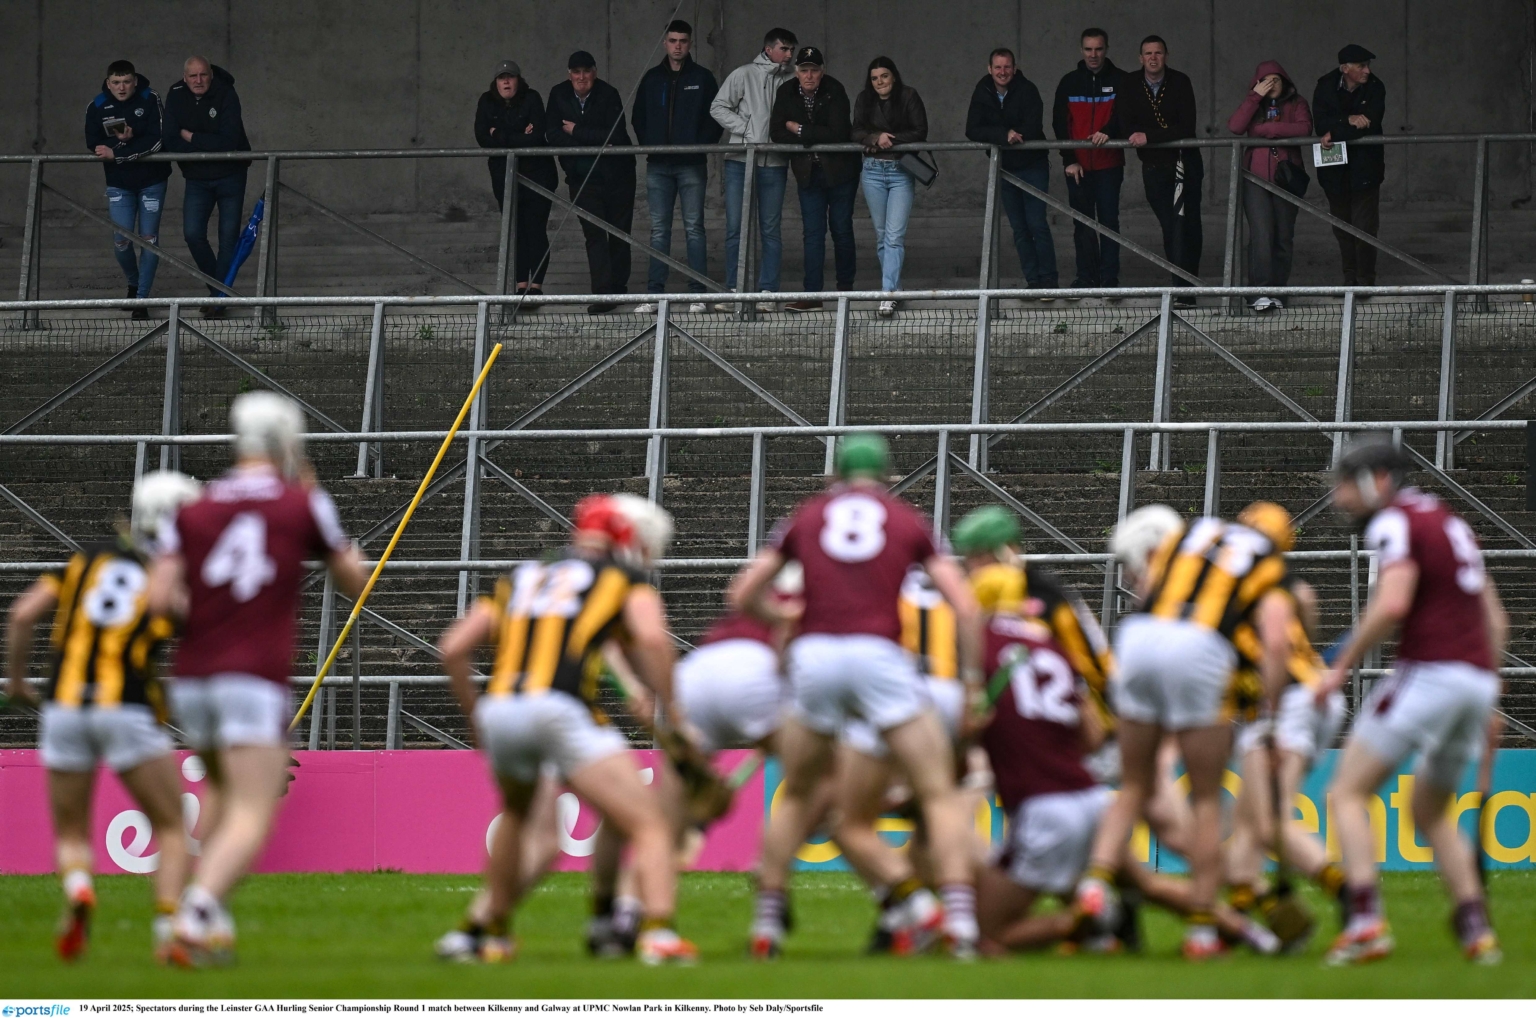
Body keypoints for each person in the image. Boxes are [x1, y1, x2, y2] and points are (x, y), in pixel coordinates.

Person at [729, 433, 983, 958]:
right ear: (887, 476)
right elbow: (964, 605)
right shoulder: (908, 520)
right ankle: (959, 921)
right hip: (878, 657)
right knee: (936, 791)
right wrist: (974, 680)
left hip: (815, 657)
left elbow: (742, 593)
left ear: (836, 476)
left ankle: (767, 924)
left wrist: (783, 616)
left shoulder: (805, 517)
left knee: (797, 794)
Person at [146, 392, 367, 966]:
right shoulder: (300, 502)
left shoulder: (193, 506)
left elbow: (159, 602)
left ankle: (210, 917)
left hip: (192, 676)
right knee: (253, 805)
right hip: (254, 675)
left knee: (220, 792)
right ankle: (195, 911)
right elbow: (354, 581)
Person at [433, 494, 697, 965]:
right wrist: (672, 711)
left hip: (501, 708)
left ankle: (484, 932)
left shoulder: (524, 575)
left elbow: (453, 647)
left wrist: (476, 719)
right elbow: (653, 640)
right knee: (650, 823)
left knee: (519, 819)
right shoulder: (621, 578)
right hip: (560, 709)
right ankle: (657, 933)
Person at [1318, 441, 1505, 965]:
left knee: (1346, 792)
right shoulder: (1448, 520)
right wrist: (1488, 694)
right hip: (1474, 680)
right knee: (1429, 809)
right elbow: (1495, 617)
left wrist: (1342, 662)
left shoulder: (1394, 520)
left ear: (1380, 479)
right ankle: (1476, 928)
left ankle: (1365, 924)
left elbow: (1394, 601)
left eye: (1346, 483)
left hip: (1430, 673)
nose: (1340, 497)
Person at [1074, 504, 1288, 960]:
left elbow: (1153, 585)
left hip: (1140, 635)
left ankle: (1094, 883)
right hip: (1201, 645)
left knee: (1133, 785)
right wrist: (1268, 717)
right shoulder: (1268, 563)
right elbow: (1272, 643)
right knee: (1206, 800)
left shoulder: (1193, 531)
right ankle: (1202, 932)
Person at [5, 471, 203, 962]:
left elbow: (23, 614)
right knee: (171, 827)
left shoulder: (87, 559)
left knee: (72, 830)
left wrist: (19, 682)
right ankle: (168, 933)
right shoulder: (170, 577)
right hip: (126, 707)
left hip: (64, 707)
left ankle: (78, 889)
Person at [1223, 505, 1347, 953]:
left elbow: (1274, 646)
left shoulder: (1244, 584)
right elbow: (1308, 604)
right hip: (1314, 696)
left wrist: (1269, 719)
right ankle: (1237, 920)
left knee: (1268, 821)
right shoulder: (1287, 583)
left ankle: (1353, 899)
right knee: (1247, 819)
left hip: (1284, 702)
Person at [633, 20, 721, 315]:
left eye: (683, 40)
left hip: (691, 165)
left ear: (690, 43)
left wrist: (698, 146)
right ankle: (654, 294)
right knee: (659, 230)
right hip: (658, 166)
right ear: (665, 43)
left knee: (694, 228)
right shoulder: (652, 78)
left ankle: (698, 293)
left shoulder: (703, 77)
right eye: (673, 40)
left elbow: (715, 117)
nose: (678, 46)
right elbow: (638, 116)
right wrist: (651, 146)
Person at [711, 28, 797, 311]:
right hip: (740, 160)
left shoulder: (793, 79)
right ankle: (734, 290)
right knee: (736, 227)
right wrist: (746, 129)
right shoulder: (744, 73)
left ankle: (768, 291)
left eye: (791, 50)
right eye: (784, 49)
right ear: (768, 49)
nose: (789, 54)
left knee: (770, 229)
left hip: (775, 162)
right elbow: (718, 107)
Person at [547, 51, 637, 315]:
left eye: (586, 71)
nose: (581, 77)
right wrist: (590, 143)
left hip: (618, 176)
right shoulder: (558, 94)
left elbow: (616, 134)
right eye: (576, 72)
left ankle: (618, 288)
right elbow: (552, 134)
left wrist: (576, 130)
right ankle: (603, 293)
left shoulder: (608, 93)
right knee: (594, 234)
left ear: (594, 72)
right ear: (569, 74)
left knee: (619, 233)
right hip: (581, 177)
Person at [770, 47, 859, 312]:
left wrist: (798, 129)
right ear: (796, 72)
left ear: (822, 71)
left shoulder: (835, 89)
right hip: (808, 173)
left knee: (841, 229)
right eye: (804, 70)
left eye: (814, 70)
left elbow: (839, 133)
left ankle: (846, 292)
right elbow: (777, 133)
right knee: (813, 233)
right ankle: (812, 295)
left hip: (841, 172)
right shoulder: (786, 92)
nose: (809, 76)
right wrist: (814, 135)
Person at [162, 57, 251, 319]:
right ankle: (218, 294)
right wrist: (203, 147)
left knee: (228, 239)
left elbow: (228, 141)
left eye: (203, 75)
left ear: (210, 75)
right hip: (197, 178)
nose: (198, 81)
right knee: (192, 234)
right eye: (193, 76)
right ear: (184, 77)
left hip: (231, 175)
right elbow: (170, 139)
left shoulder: (227, 93)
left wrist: (191, 136)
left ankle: (217, 301)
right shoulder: (176, 94)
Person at [1115, 37, 1202, 305]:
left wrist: (1149, 136)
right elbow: (1124, 122)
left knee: (1188, 226)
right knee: (1170, 226)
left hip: (1185, 165)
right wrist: (1152, 135)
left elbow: (1186, 126)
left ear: (1166, 55)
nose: (1153, 58)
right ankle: (1181, 286)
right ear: (1140, 58)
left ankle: (1187, 290)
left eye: (1158, 53)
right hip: (1154, 168)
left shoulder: (1180, 81)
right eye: (1148, 53)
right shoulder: (1130, 83)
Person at [966, 49, 1058, 298]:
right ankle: (1033, 283)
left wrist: (1010, 134)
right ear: (990, 69)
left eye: (1007, 67)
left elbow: (1033, 125)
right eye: (997, 67)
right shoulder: (982, 91)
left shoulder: (1028, 90)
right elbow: (972, 129)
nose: (1002, 72)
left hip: (1033, 166)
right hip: (1005, 169)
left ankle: (1049, 282)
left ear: (1014, 69)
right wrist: (1004, 134)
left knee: (1037, 224)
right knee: (1019, 229)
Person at [84, 60, 171, 318]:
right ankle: (134, 285)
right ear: (108, 83)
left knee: (149, 240)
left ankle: (142, 299)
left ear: (135, 81)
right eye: (116, 82)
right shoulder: (97, 105)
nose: (121, 88)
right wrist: (121, 142)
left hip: (152, 181)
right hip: (119, 183)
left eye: (126, 82)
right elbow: (94, 143)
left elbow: (159, 140)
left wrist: (120, 152)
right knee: (121, 242)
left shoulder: (150, 97)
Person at [1228, 62, 1312, 313]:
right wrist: (1254, 97)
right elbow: (1236, 126)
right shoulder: (1254, 103)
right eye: (1266, 80)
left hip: (1287, 179)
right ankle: (1258, 292)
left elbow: (1304, 128)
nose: (1272, 84)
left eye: (1276, 79)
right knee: (1261, 236)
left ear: (1285, 82)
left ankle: (1278, 292)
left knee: (1283, 237)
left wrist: (1266, 130)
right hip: (1255, 179)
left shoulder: (1297, 102)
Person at [474, 60, 557, 299]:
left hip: (538, 176)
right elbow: (481, 137)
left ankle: (536, 287)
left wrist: (498, 134)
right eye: (502, 78)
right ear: (496, 82)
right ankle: (521, 285)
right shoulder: (486, 101)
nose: (506, 82)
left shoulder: (532, 98)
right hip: (505, 177)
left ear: (518, 80)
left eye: (510, 77)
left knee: (536, 229)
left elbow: (536, 137)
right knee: (516, 231)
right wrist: (519, 134)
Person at [852, 57, 928, 316]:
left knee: (894, 236)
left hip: (900, 171)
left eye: (884, 76)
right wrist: (875, 137)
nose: (880, 82)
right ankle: (894, 289)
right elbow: (855, 131)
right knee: (882, 235)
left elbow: (920, 131)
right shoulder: (864, 99)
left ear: (894, 76)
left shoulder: (908, 95)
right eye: (874, 78)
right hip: (872, 171)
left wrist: (888, 140)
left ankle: (887, 294)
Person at [1052, 29, 1124, 294]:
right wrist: (1069, 160)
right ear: (1081, 50)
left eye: (1098, 49)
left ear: (1106, 49)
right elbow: (1060, 123)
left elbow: (1126, 115)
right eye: (1088, 49)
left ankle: (1109, 280)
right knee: (1082, 224)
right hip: (1077, 167)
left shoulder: (1121, 80)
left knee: (1109, 222)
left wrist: (1109, 131)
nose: (1093, 55)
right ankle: (1086, 279)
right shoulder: (1069, 82)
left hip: (1109, 164)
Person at [1313, 45, 1387, 287]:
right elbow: (1320, 123)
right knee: (1342, 228)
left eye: (1368, 65)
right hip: (1334, 171)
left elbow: (1369, 124)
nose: (1367, 71)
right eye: (1361, 66)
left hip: (1366, 168)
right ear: (1345, 69)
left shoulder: (1375, 87)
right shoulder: (1325, 85)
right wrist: (1347, 120)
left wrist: (1335, 132)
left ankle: (1365, 281)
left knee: (1365, 228)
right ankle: (1350, 278)